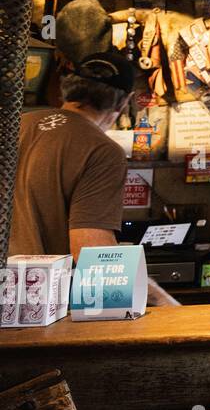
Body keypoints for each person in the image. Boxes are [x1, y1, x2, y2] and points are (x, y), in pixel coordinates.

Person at [12, 51, 177, 305]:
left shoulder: (16, 126)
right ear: (124, 103)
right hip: (40, 309)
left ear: (67, 89)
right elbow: (93, 254)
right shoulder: (102, 151)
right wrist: (163, 302)